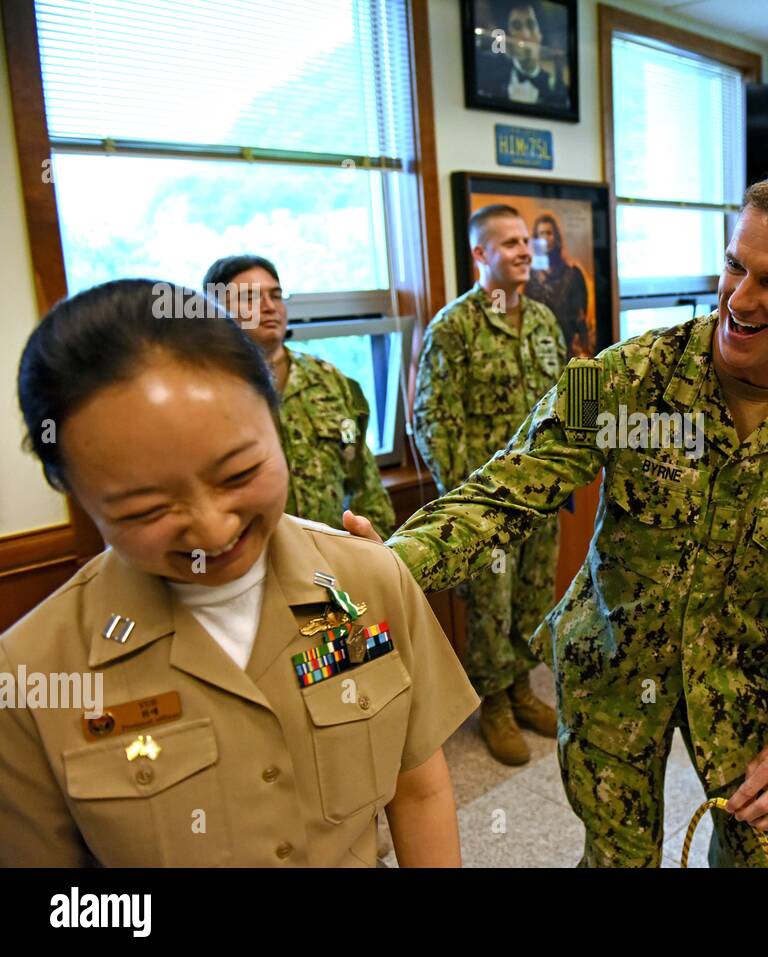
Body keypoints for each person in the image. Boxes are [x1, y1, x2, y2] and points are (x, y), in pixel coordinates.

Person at [351, 167, 768, 867]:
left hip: (745, 685)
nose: (741, 297)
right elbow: (509, 485)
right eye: (734, 266)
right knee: (618, 860)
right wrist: (392, 563)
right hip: (612, 669)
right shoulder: (622, 377)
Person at [0, 280, 477, 866]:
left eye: (237, 474)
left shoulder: (367, 580)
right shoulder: (29, 676)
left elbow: (420, 790)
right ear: (70, 490)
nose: (212, 529)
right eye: (147, 510)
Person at [414, 204, 567, 766]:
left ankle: (524, 690)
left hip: (541, 496)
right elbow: (431, 417)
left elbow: (563, 403)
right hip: (486, 504)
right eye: (509, 243)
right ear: (481, 255)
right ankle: (494, 706)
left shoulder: (546, 322)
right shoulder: (454, 327)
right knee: (489, 607)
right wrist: (466, 501)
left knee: (531, 598)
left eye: (527, 241)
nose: (524, 251)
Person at [203, 254, 395, 539]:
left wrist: (379, 551)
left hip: (331, 556)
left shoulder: (330, 380)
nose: (269, 307)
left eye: (276, 295)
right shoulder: (204, 395)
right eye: (250, 298)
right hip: (248, 560)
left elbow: (363, 481)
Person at [476, 1, 569, 109]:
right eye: (517, 26)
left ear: (540, 34)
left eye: (531, 25)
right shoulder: (492, 78)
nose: (525, 35)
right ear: (507, 35)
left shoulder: (558, 90)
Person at [526, 213, 591, 356]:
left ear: (556, 237)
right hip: (536, 351)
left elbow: (581, 318)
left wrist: (585, 350)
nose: (545, 238)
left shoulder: (572, 274)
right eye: (541, 234)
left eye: (549, 233)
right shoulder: (528, 278)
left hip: (567, 351)